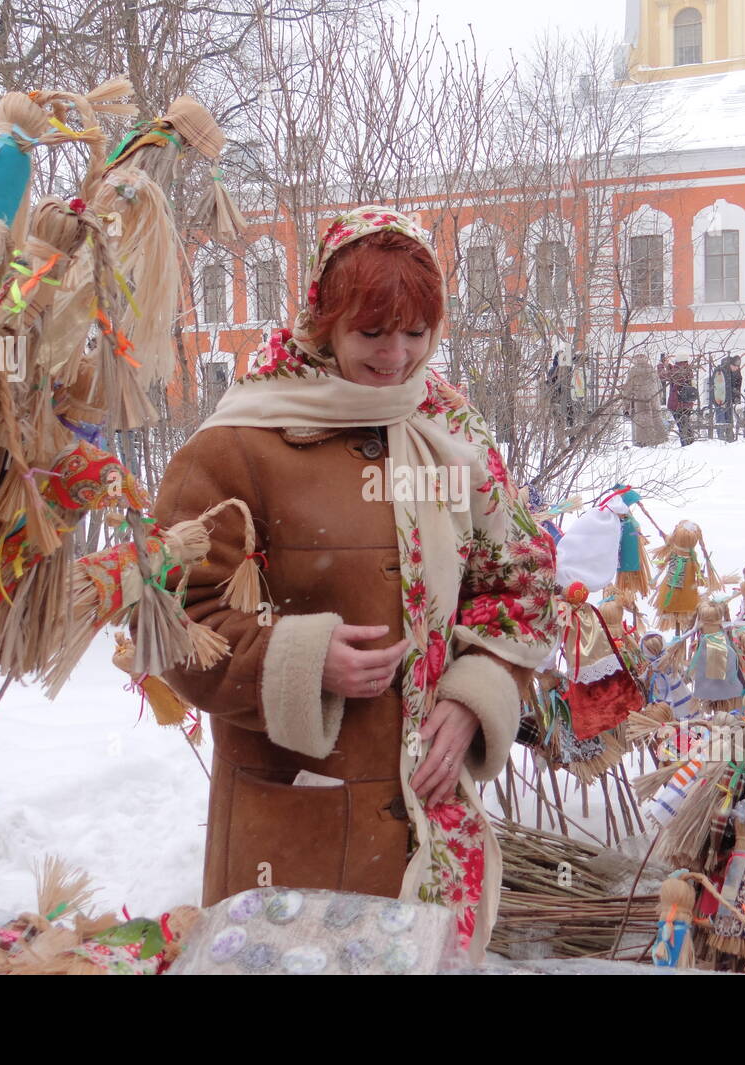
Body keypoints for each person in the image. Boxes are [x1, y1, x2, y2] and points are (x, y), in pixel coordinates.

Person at [151, 207, 557, 959]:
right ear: (323, 321)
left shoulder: (450, 429)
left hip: (424, 825)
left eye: (416, 333)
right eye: (372, 333)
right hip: (290, 831)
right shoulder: (242, 441)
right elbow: (172, 618)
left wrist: (475, 699)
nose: (397, 357)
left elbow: (518, 586)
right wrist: (302, 660)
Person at [664, 354, 697, 446]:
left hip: (677, 404)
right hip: (687, 403)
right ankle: (690, 443)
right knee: (685, 424)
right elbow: (674, 374)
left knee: (682, 426)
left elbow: (664, 376)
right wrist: (669, 366)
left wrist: (660, 366)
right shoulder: (687, 369)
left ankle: (686, 444)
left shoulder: (679, 370)